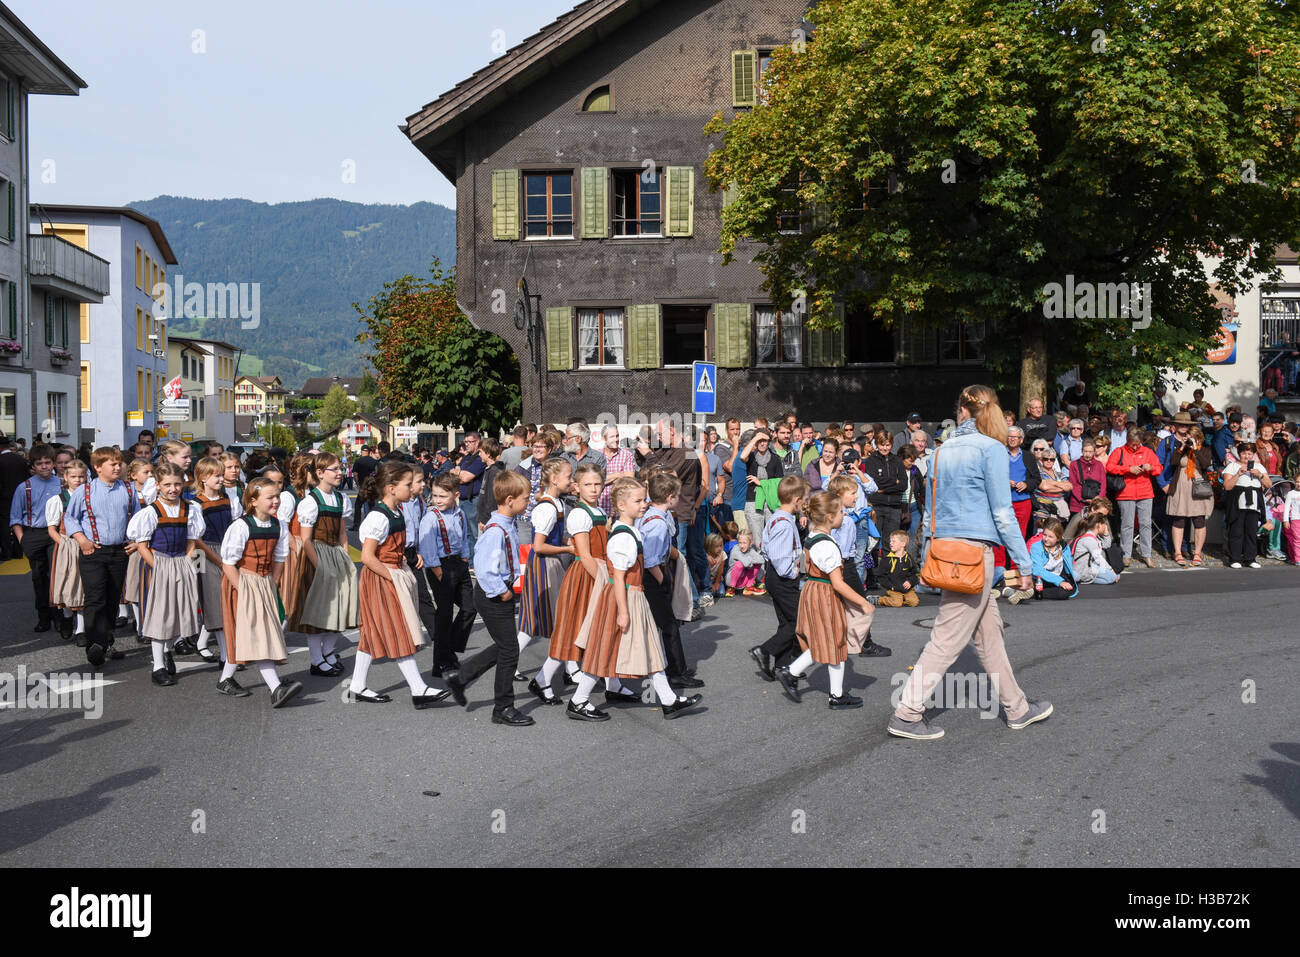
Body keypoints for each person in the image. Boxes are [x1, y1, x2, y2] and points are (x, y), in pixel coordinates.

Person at [888, 384, 1053, 741]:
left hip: (948, 550)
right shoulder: (991, 449)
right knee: (946, 639)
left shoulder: (941, 451)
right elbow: (1003, 513)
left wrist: (929, 554)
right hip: (974, 553)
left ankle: (1017, 707)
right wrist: (1025, 565)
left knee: (989, 636)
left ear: (960, 410)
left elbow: (929, 510)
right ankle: (907, 712)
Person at [566, 477, 703, 722]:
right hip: (624, 597)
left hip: (633, 595)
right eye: (638, 501)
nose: (644, 504)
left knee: (649, 646)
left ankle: (669, 700)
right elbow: (618, 578)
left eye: (644, 499)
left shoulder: (631, 530)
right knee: (604, 649)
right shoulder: (622, 537)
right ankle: (578, 700)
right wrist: (622, 611)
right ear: (620, 505)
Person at [350, 462, 452, 709]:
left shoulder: (396, 511)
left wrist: (406, 557)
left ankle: (356, 685)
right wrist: (392, 575)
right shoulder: (378, 516)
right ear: (391, 488)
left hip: (392, 573)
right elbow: (367, 557)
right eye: (408, 485)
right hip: (381, 579)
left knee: (372, 634)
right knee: (398, 631)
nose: (413, 488)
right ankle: (418, 689)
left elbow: (392, 547)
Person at [775, 490, 872, 709]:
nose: (843, 515)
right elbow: (838, 583)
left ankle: (791, 672)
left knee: (822, 641)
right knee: (835, 641)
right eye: (840, 511)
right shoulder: (828, 545)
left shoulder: (812, 536)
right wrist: (862, 602)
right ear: (829, 517)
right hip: (825, 594)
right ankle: (835, 695)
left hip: (812, 590)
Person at [217, 477, 304, 706]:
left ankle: (226, 678)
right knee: (256, 634)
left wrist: (271, 584)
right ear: (253, 501)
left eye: (277, 496)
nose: (276, 501)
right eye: (270, 497)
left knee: (256, 633)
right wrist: (244, 591)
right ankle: (276, 688)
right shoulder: (241, 526)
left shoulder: (278, 525)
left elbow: (279, 559)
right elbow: (228, 564)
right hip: (242, 582)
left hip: (264, 583)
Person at [457, 469, 532, 725]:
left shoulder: (506, 524)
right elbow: (485, 570)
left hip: (499, 592)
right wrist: (504, 592)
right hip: (493, 595)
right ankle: (503, 708)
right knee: (510, 650)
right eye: (525, 498)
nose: (528, 502)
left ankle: (462, 676)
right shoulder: (496, 531)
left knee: (505, 646)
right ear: (510, 500)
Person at [127, 463, 205, 687]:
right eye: (168, 484)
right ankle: (158, 665)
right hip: (158, 562)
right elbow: (142, 545)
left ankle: (169, 650)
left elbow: (192, 540)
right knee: (160, 614)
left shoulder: (190, 509)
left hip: (181, 561)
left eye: (177, 484)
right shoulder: (151, 512)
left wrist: (189, 563)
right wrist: (159, 567)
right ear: (158, 485)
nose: (173, 489)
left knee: (179, 611)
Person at [63, 447, 140, 667]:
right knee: (95, 597)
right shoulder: (84, 491)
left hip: (120, 550)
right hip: (93, 551)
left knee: (112, 598)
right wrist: (82, 540)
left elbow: (136, 518)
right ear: (97, 467)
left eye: (119, 464)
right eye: (112, 464)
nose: (118, 467)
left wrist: (136, 540)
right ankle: (95, 645)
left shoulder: (128, 489)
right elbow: (71, 518)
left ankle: (106, 640)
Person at [537, 463, 608, 696]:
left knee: (595, 630)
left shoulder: (600, 512)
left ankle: (612, 683)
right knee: (574, 631)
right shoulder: (580, 514)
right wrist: (604, 582)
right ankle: (543, 679)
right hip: (585, 576)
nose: (594, 489)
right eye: (588, 484)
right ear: (577, 487)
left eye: (597, 484)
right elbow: (585, 555)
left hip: (596, 572)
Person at [295, 452, 357, 676]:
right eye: (335, 469)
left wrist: (345, 557)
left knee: (339, 607)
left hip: (336, 554)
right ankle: (316, 659)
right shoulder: (311, 501)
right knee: (318, 611)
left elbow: (342, 533)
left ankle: (329, 651)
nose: (340, 472)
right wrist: (320, 565)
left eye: (340, 468)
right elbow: (306, 539)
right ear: (320, 473)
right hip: (317, 555)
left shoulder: (340, 499)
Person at [517, 458, 574, 696]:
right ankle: (510, 662)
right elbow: (539, 546)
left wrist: (565, 542)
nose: (572, 481)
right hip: (543, 565)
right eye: (569, 477)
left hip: (551, 565)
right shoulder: (547, 507)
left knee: (548, 620)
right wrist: (567, 549)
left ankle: (571, 668)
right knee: (541, 620)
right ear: (554, 479)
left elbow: (552, 537)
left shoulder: (557, 504)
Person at [747, 475, 810, 682]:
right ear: (795, 499)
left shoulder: (776, 518)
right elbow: (780, 557)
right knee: (798, 621)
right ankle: (765, 650)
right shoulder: (783, 523)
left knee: (786, 621)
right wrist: (793, 573)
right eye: (804, 499)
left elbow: (766, 547)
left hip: (775, 576)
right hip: (783, 577)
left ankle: (784, 665)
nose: (805, 502)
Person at [419, 473, 476, 680]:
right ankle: (440, 662)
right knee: (444, 616)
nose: (437, 500)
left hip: (457, 564)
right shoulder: (431, 517)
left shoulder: (459, 513)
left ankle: (450, 649)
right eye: (435, 495)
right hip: (440, 566)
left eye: (443, 496)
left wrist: (464, 558)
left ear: (456, 495)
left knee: (470, 606)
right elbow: (427, 548)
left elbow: (462, 538)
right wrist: (437, 570)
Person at [192, 457, 239, 666]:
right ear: (203, 478)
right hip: (206, 553)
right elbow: (196, 539)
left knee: (226, 601)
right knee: (212, 601)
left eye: (222, 474)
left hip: (226, 550)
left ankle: (220, 649)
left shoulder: (227, 499)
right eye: (216, 475)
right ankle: (225, 654)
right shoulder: (196, 504)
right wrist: (218, 560)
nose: (221, 479)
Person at [9, 444, 61, 632]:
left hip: (56, 533)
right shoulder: (25, 488)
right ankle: (43, 615)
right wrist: (22, 539)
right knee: (39, 576)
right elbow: (15, 517)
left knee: (56, 574)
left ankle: (60, 613)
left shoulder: (60, 483)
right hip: (34, 533)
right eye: (40, 464)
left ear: (54, 464)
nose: (44, 467)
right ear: (33, 466)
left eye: (48, 462)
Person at [1105, 427, 1161, 567]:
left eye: (1137, 443)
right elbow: (1109, 467)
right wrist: (1127, 469)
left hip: (1145, 492)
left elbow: (1159, 468)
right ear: (1127, 440)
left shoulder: (1147, 452)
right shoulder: (1120, 451)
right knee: (1127, 525)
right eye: (1132, 443)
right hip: (1126, 492)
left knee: (1146, 524)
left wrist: (1150, 468)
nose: (1135, 446)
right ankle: (1126, 554)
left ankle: (1147, 555)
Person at [1160, 421, 1214, 567]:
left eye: (1192, 437)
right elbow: (1172, 462)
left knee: (1199, 521)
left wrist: (1195, 449)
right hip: (1181, 488)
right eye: (1188, 436)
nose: (1189, 439)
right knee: (1179, 519)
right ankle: (1177, 552)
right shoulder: (1182, 449)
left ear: (1199, 438)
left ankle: (1197, 553)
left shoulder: (1205, 449)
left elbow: (1205, 464)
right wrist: (1183, 447)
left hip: (1198, 489)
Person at [46, 459, 88, 642]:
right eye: (73, 477)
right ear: (65, 477)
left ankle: (81, 629)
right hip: (66, 546)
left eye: (81, 476)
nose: (78, 480)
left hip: (86, 544)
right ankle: (66, 618)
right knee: (65, 583)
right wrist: (64, 544)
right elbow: (51, 528)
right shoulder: (58, 500)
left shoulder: (89, 497)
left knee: (83, 586)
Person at [1222, 442, 1272, 568]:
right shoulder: (1232, 466)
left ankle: (1251, 558)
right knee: (1236, 531)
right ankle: (1235, 558)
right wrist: (1238, 474)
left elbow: (1269, 484)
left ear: (1253, 455)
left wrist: (1259, 475)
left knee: (1251, 531)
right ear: (1239, 454)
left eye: (1250, 453)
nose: (1247, 456)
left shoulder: (1259, 467)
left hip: (1254, 503)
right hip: (1237, 502)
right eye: (1244, 453)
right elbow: (1227, 486)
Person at [862, 430, 907, 559]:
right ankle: (874, 575)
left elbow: (904, 485)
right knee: (874, 541)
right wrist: (894, 481)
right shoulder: (871, 461)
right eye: (882, 445)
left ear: (891, 445)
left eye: (887, 445)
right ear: (877, 444)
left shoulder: (897, 461)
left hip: (894, 507)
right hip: (877, 506)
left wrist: (883, 487)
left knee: (891, 543)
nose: (884, 448)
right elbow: (875, 483)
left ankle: (888, 573)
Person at [740, 428, 784, 545]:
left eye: (765, 440)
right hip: (753, 501)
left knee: (773, 538)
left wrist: (761, 483)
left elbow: (780, 481)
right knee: (756, 540)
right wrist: (755, 438)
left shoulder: (775, 459)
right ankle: (760, 563)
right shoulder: (751, 456)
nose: (762, 443)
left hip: (771, 501)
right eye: (760, 440)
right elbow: (742, 457)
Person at [1066, 439, 1106, 539]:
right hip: (1078, 503)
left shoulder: (1099, 465)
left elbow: (1103, 484)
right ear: (1082, 451)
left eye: (1090, 451)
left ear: (1094, 452)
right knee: (1076, 531)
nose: (1087, 454)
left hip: (1096, 504)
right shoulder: (1074, 464)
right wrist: (1082, 499)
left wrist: (1097, 499)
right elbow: (1073, 484)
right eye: (1085, 451)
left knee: (1093, 530)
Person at [597, 424, 637, 513]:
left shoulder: (627, 455)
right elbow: (596, 480)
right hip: (600, 508)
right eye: (612, 437)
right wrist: (618, 475)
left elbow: (628, 480)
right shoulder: (597, 455)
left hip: (620, 510)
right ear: (604, 438)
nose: (616, 439)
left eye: (617, 436)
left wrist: (604, 479)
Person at [876, 530, 920, 607]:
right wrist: (890, 586)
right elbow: (881, 576)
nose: (890, 543)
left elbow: (915, 574)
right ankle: (879, 600)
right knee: (896, 603)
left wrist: (910, 582)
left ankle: (901, 599)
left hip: (906, 589)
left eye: (894, 541)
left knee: (914, 602)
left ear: (903, 544)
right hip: (894, 589)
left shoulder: (909, 559)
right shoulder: (887, 559)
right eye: (890, 541)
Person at [1072, 514, 1119, 585]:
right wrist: (1111, 570)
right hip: (1084, 569)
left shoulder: (1093, 537)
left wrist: (1106, 533)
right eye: (1105, 525)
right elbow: (1098, 558)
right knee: (1112, 577)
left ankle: (1091, 578)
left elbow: (1107, 545)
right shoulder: (1089, 539)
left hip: (1091, 567)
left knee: (1117, 576)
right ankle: (1085, 579)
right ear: (1099, 525)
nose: (1106, 527)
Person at [726, 528, 764, 595]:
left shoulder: (751, 550)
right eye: (740, 543)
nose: (742, 546)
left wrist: (750, 561)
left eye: (744, 543)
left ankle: (748, 587)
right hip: (732, 580)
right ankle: (730, 589)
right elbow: (746, 564)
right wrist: (751, 560)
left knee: (758, 564)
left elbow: (761, 560)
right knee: (739, 564)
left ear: (750, 543)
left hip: (743, 580)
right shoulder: (735, 549)